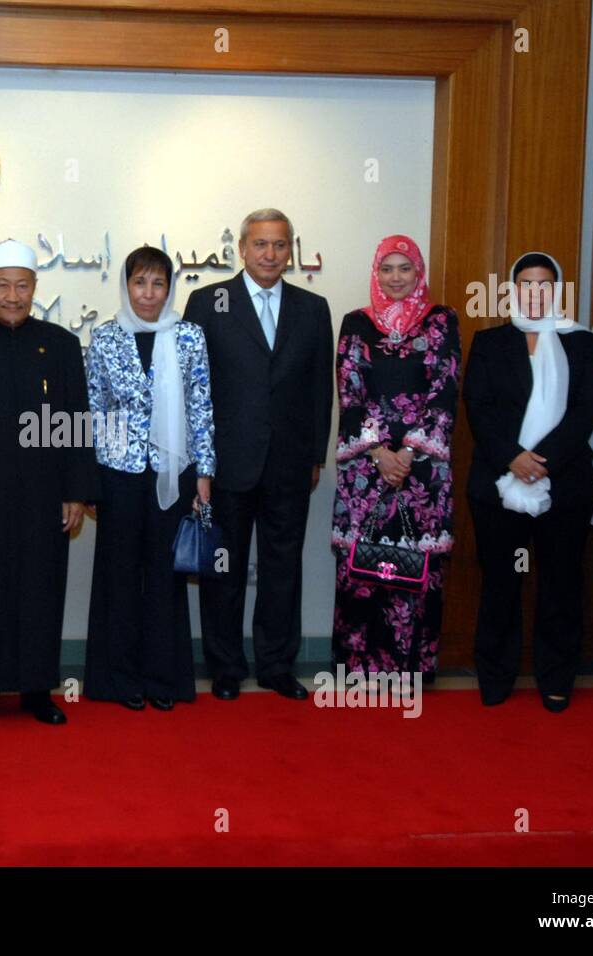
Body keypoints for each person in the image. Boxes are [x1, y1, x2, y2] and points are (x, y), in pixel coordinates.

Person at [0, 239, 99, 727]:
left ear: (35, 287)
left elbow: (77, 421)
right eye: (3, 285)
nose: (13, 295)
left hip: (46, 495)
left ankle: (36, 689)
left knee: (41, 590)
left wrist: (76, 490)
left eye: (22, 285)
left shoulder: (63, 346)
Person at [182, 208, 334, 701]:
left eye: (280, 245)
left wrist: (315, 454)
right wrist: (198, 462)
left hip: (290, 465)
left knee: (282, 568)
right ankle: (225, 667)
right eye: (261, 244)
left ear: (291, 250)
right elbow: (192, 388)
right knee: (222, 567)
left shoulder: (313, 308)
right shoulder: (208, 302)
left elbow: (319, 391)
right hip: (226, 464)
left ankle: (275, 665)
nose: (271, 254)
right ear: (241, 249)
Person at [464, 252, 593, 711]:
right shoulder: (489, 342)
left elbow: (587, 409)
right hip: (498, 483)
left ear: (557, 290)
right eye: (526, 284)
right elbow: (478, 408)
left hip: (564, 483)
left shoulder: (581, 343)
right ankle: (496, 674)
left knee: (561, 582)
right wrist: (512, 458)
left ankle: (556, 676)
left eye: (545, 284)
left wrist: (542, 461)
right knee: (501, 582)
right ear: (511, 290)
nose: (535, 293)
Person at [83, 246, 215, 710]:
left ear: (169, 288)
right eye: (139, 282)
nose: (148, 293)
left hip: (173, 474)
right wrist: (90, 480)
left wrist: (205, 472)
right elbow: (93, 411)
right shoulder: (104, 338)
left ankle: (164, 680)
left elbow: (201, 406)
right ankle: (118, 680)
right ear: (126, 285)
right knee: (118, 577)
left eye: (158, 283)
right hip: (117, 475)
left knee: (164, 576)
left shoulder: (190, 337)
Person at [331, 234, 459, 679]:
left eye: (406, 268)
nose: (396, 277)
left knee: (417, 573)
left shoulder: (441, 321)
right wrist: (380, 453)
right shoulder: (355, 323)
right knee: (363, 570)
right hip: (366, 469)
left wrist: (407, 452)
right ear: (376, 272)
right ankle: (360, 668)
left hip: (422, 473)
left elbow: (444, 391)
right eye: (388, 268)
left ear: (419, 273)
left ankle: (411, 670)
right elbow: (349, 393)